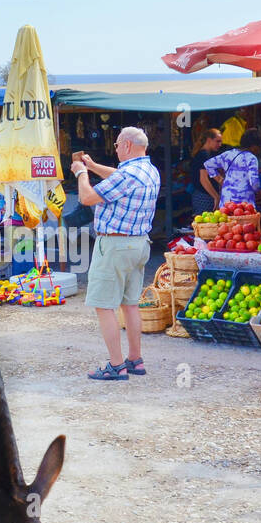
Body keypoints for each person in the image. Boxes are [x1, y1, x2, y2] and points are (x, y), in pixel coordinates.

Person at [71, 126, 160, 381]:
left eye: (118, 144)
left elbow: (87, 197)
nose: (116, 148)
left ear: (128, 146)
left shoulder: (128, 174)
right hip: (139, 244)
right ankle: (135, 359)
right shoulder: (148, 171)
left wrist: (81, 174)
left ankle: (116, 365)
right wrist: (93, 166)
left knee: (103, 306)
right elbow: (118, 178)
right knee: (130, 304)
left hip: (115, 246)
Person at [201, 130, 261, 209]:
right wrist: (259, 191)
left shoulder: (228, 154)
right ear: (254, 146)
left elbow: (208, 164)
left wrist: (220, 180)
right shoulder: (251, 158)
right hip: (244, 203)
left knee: (227, 221)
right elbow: (254, 184)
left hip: (226, 201)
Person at [189, 129, 223, 214]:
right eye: (217, 141)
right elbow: (203, 179)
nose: (220, 144)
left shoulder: (207, 154)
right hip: (204, 196)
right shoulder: (203, 155)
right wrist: (216, 197)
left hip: (207, 195)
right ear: (209, 140)